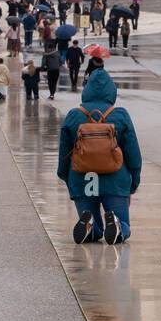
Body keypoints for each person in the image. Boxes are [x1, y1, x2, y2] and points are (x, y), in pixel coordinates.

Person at [57, 62, 142, 246]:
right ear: (112, 91)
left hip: (82, 179)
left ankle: (91, 226)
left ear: (86, 91)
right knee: (123, 224)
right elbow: (133, 153)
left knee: (93, 232)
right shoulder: (120, 115)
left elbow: (64, 153)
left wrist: (67, 178)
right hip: (115, 180)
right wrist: (133, 182)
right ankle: (117, 225)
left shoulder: (74, 115)